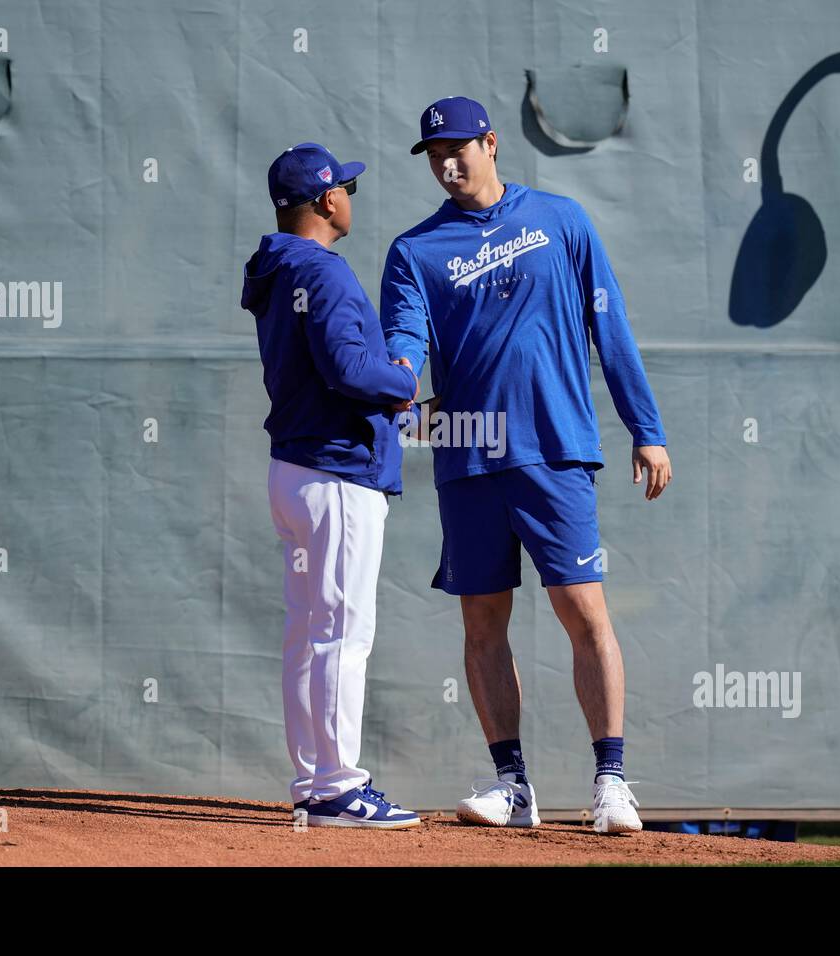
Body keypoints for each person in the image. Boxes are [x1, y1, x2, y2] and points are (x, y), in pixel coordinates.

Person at [381, 98, 672, 833]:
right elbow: (405, 337)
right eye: (434, 152)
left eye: (459, 146)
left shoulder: (562, 219)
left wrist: (647, 428)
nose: (448, 162)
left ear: (490, 142)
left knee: (584, 611)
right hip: (469, 456)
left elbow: (611, 326)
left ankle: (612, 780)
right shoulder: (414, 251)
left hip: (555, 448)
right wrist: (397, 378)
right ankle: (512, 786)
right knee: (483, 620)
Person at [242, 143, 421, 829]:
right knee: (341, 633)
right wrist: (403, 380)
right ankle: (339, 785)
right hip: (336, 471)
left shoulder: (279, 266)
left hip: (293, 470)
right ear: (323, 201)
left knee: (309, 632)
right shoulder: (324, 272)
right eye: (344, 186)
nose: (350, 194)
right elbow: (350, 370)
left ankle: (316, 781)